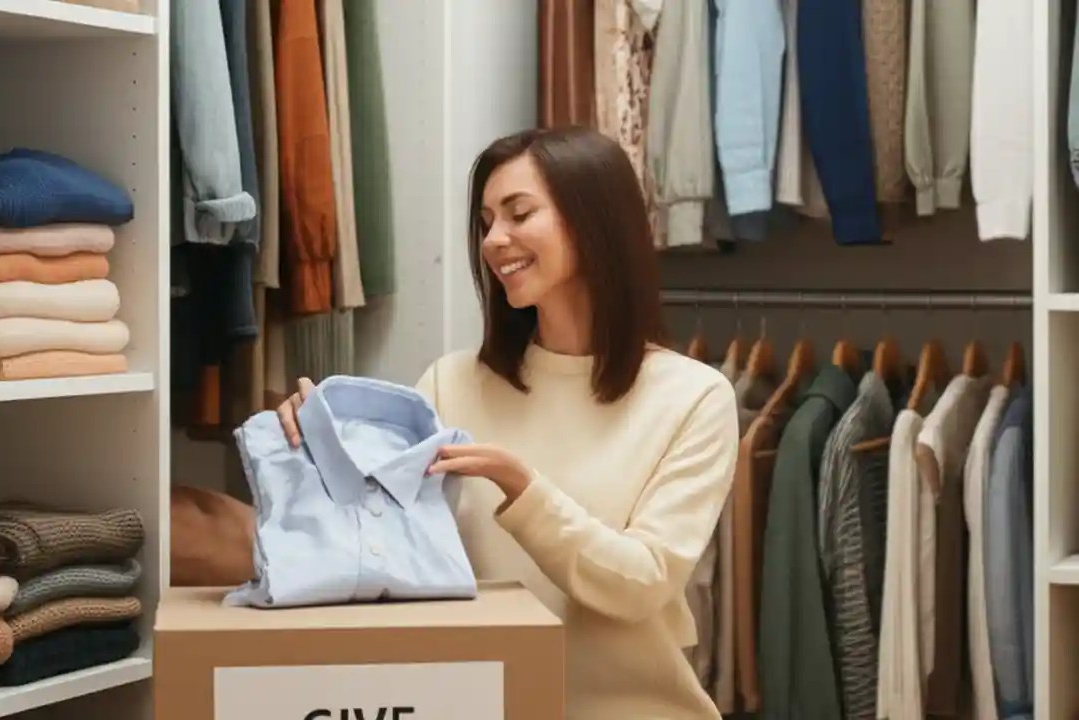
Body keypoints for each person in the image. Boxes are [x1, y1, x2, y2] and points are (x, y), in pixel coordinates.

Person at [276, 127, 738, 719]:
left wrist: (523, 488)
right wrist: (315, 446)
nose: (495, 240)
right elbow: (371, 549)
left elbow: (640, 584)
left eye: (519, 214)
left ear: (594, 222)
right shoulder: (450, 384)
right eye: (486, 220)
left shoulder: (694, 397)